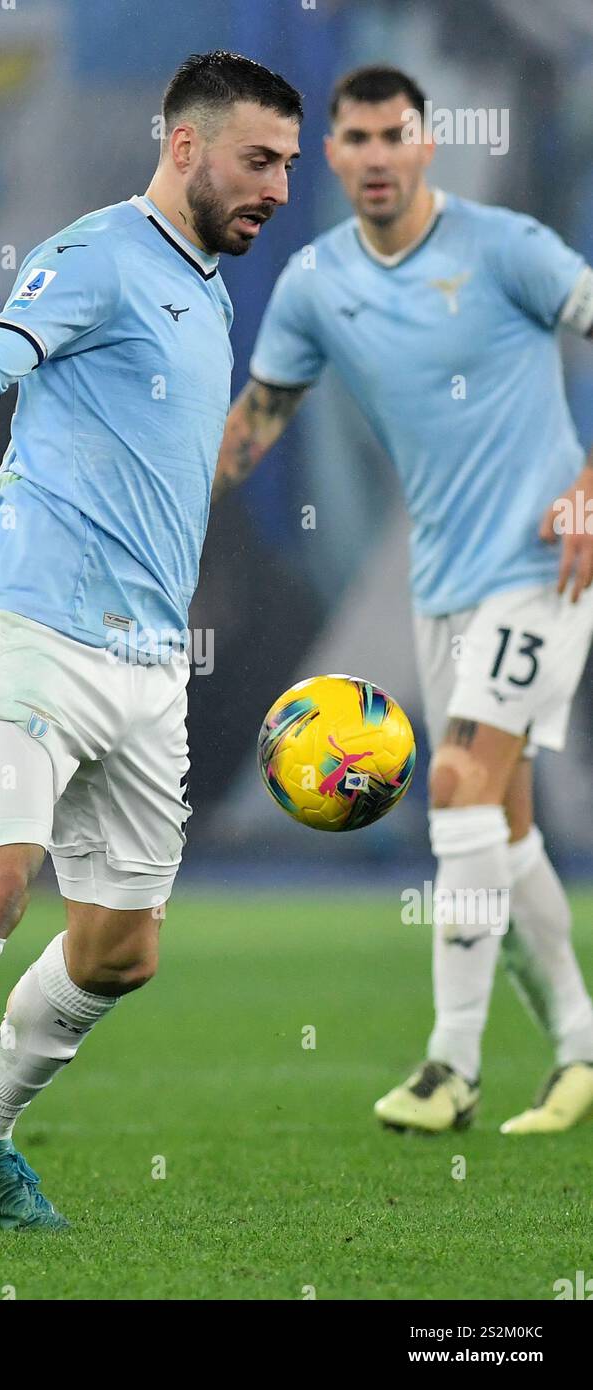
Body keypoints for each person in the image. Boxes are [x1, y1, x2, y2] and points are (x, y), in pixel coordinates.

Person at [0, 51, 302, 1249]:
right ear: (187, 147)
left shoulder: (205, 291)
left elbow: (101, 468)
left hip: (144, 661)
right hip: (34, 639)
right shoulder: (95, 253)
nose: (279, 188)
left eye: (289, 166)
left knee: (117, 952)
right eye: (260, 161)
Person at [213, 64, 593, 1137]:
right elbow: (257, 420)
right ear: (329, 155)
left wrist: (586, 493)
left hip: (539, 570)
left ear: (425, 145)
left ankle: (449, 1065)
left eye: (394, 136)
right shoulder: (316, 284)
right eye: (356, 139)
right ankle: (577, 1042)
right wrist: (148, 500)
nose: (375, 156)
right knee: (501, 831)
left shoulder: (505, 247)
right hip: (440, 585)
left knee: (459, 781)